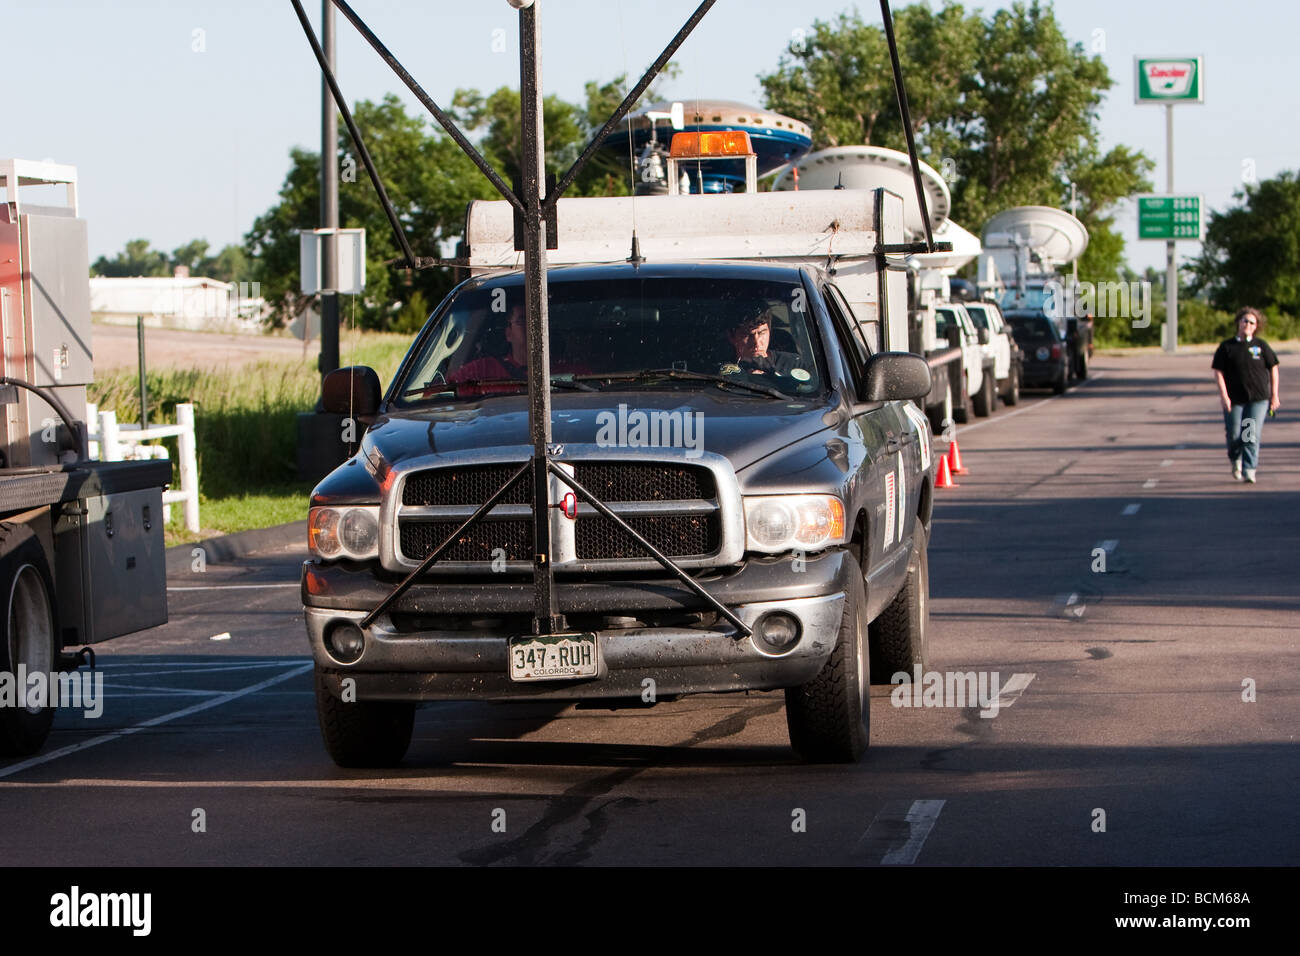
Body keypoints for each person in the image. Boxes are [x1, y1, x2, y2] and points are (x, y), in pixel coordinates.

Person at [1212, 307, 1281, 483]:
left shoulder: (1260, 345)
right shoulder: (1227, 347)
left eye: (1252, 322)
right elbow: (1218, 372)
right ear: (1238, 323)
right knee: (1234, 435)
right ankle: (1236, 459)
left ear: (1256, 326)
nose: (1247, 324)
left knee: (1249, 434)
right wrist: (1224, 396)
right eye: (1245, 321)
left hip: (1257, 399)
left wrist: (1274, 395)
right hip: (1234, 399)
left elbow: (1273, 368)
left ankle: (1249, 469)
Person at [720, 308, 805, 377]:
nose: (757, 343)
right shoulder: (719, 369)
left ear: (769, 331)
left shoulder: (794, 365)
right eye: (748, 335)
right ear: (731, 336)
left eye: (762, 333)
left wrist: (772, 380)